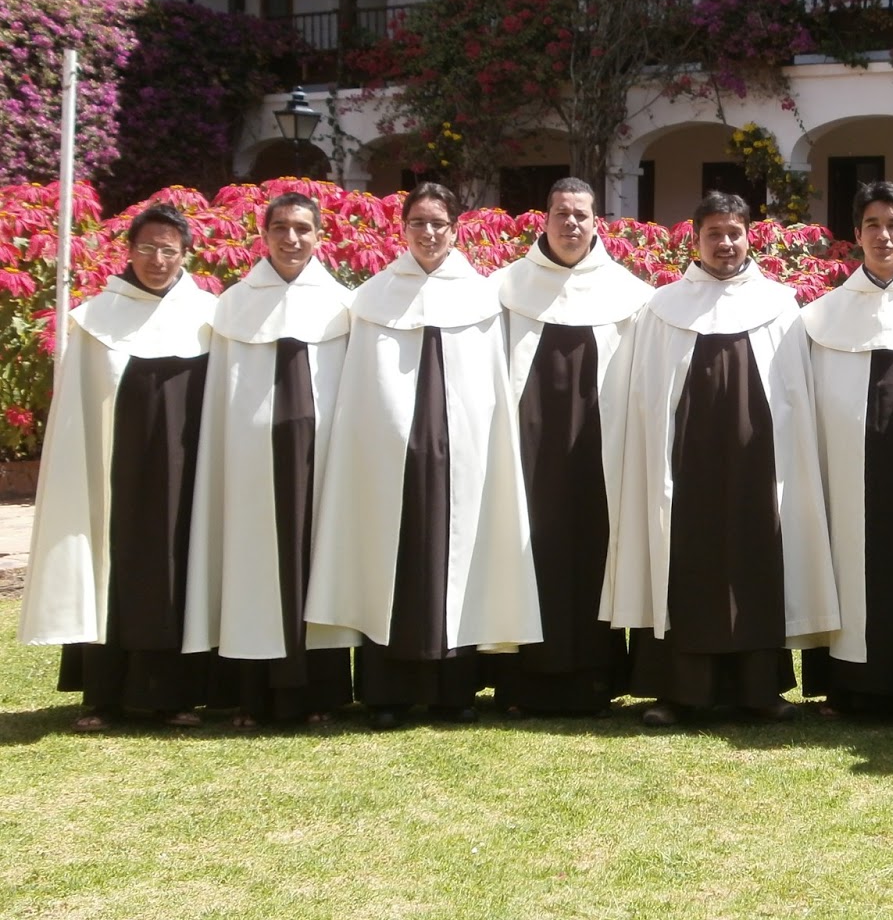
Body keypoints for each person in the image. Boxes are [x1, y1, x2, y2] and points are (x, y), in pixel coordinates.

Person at [305, 182, 541, 729]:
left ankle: (452, 694)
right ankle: (387, 694)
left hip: (465, 457)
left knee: (459, 561)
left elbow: (492, 387)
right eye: (418, 223)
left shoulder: (484, 298)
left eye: (438, 223)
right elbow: (360, 389)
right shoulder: (371, 298)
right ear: (403, 228)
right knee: (390, 561)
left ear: (455, 230)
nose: (428, 233)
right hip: (387, 459)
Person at [610, 191, 837, 726]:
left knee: (756, 563)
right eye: (714, 233)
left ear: (748, 236)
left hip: (760, 468)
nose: (725, 243)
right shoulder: (662, 308)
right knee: (683, 565)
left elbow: (797, 394)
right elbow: (646, 398)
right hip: (684, 469)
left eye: (734, 233)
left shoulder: (779, 305)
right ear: (696, 240)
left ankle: (759, 691)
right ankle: (678, 693)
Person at [20, 203, 217, 731]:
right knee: (109, 570)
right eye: (147, 248)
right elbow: (77, 408)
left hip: (184, 474)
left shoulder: (208, 318)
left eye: (169, 250)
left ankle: (175, 696)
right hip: (112, 472)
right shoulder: (96, 319)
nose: (157, 259)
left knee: (176, 569)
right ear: (128, 251)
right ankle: (102, 697)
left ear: (186, 254)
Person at [182, 192, 356, 727]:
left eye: (303, 228)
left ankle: (322, 696)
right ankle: (252, 697)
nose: (291, 239)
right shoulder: (234, 305)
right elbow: (220, 397)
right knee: (250, 566)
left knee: (319, 564)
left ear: (320, 236)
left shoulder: (344, 306)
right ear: (263, 235)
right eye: (280, 228)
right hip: (249, 465)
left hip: (322, 462)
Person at [492, 176, 652, 716]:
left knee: (594, 552)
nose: (571, 223)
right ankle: (520, 685)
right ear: (545, 218)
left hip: (598, 452)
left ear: (596, 222)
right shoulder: (505, 289)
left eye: (581, 214)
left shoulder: (630, 295)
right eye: (561, 213)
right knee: (527, 548)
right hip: (527, 451)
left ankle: (595, 682)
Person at [800, 181, 893, 716]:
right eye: (872, 225)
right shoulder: (821, 316)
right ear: (856, 234)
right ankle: (847, 688)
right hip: (845, 467)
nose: (883, 235)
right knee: (848, 562)